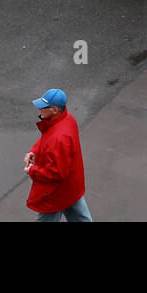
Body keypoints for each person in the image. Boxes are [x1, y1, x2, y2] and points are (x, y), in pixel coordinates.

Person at [24, 89, 92, 222]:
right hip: (71, 187)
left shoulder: (59, 138)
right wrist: (34, 151)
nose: (39, 109)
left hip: (55, 193)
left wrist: (32, 170)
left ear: (55, 110)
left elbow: (56, 173)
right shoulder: (67, 120)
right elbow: (47, 139)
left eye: (43, 107)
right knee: (81, 218)